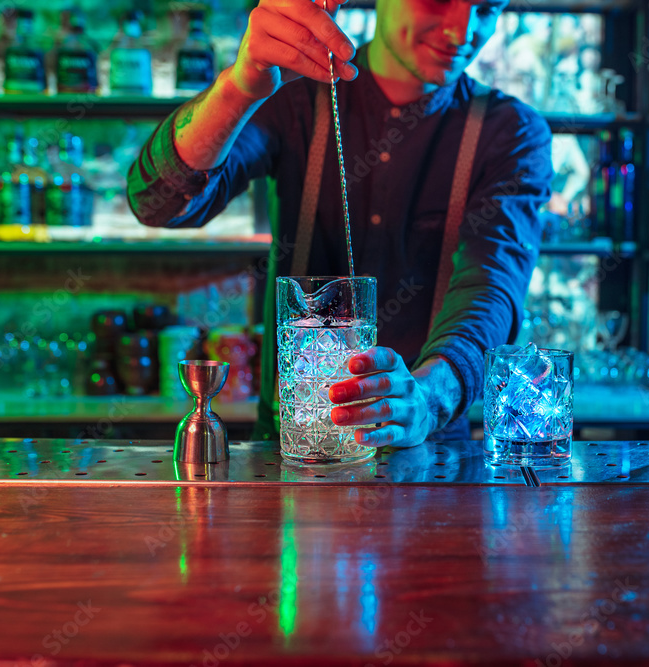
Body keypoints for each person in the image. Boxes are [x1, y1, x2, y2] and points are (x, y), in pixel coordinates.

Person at [126, 0, 553, 448]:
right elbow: (161, 203)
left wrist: (425, 399)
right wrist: (240, 87)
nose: (462, 30)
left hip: (433, 457)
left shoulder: (511, 133)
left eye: (486, 8)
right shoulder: (293, 94)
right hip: (295, 451)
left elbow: (490, 289)